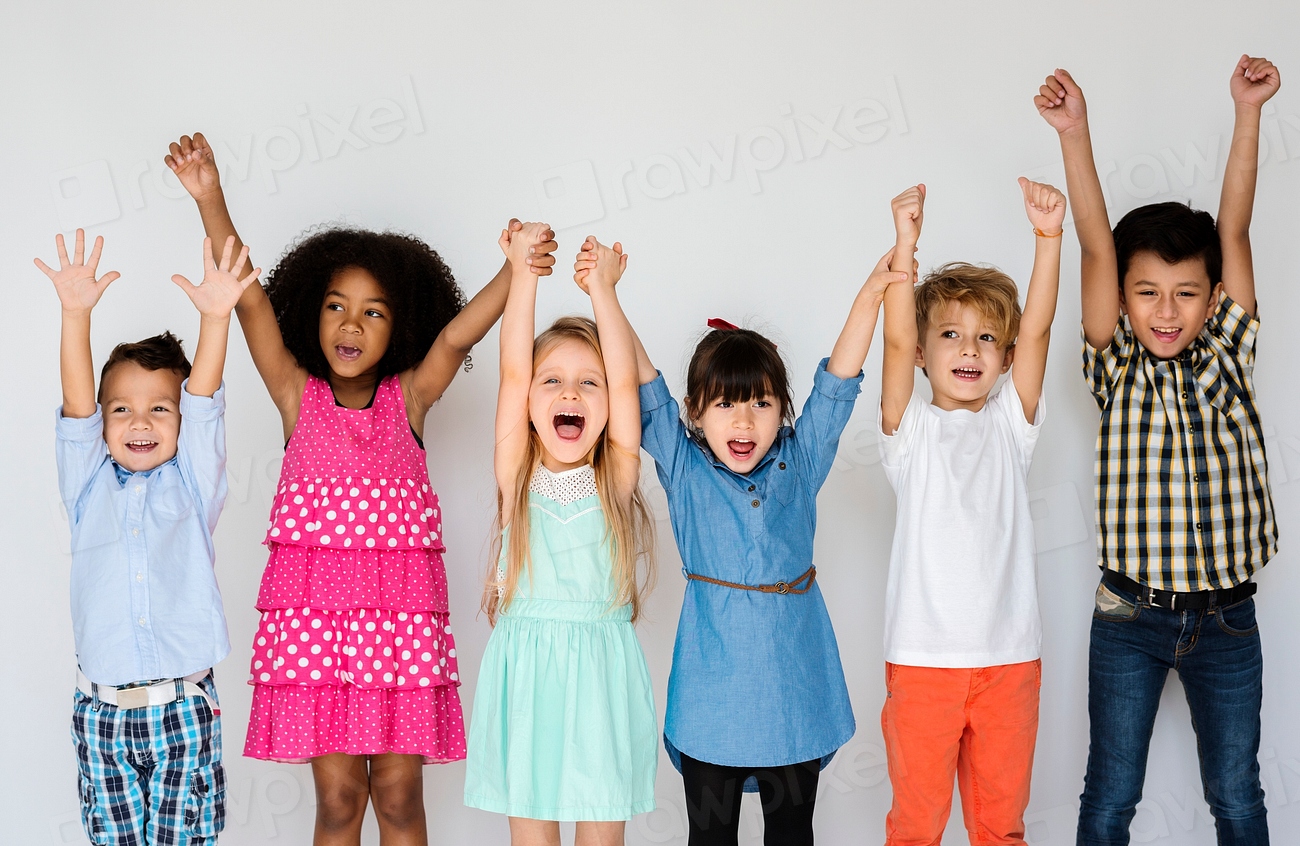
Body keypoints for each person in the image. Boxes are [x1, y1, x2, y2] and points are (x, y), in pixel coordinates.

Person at [165, 132, 557, 845]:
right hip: (316, 637)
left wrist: (513, 268)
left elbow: (462, 336)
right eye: (338, 306)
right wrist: (209, 199)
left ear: (399, 326)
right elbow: (248, 301)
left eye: (374, 312)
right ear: (313, 312)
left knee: (402, 801)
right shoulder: (295, 395)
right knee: (340, 803)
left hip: (399, 634)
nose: (352, 324)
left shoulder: (409, 400)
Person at [1035, 56, 1281, 845]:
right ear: (1125, 301)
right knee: (1110, 793)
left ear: (1213, 298)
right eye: (1147, 293)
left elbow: (1233, 226)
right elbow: (1095, 246)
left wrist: (1247, 113)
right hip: (1129, 616)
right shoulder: (1116, 364)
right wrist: (1075, 133)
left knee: (1236, 793)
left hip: (1228, 619)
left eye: (1184, 293)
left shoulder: (1229, 351)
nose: (1165, 311)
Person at [634, 246, 909, 845]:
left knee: (791, 835)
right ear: (694, 414)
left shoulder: (800, 460)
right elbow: (645, 386)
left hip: (793, 686)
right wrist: (605, 289)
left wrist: (870, 295)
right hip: (711, 696)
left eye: (761, 403)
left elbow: (837, 384)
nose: (744, 421)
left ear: (783, 411)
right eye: (725, 404)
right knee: (710, 839)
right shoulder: (684, 468)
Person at [43, 230, 258, 844]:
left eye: (159, 409)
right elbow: (77, 406)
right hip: (101, 712)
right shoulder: (87, 484)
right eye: (122, 410)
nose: (139, 420)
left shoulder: (192, 482)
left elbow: (205, 398)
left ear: (180, 422)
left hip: (183, 708)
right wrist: (75, 315)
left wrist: (214, 319)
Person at [876, 178, 1066, 845]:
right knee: (916, 827)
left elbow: (1038, 327)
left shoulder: (1012, 425)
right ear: (926, 355)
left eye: (987, 339)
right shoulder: (911, 433)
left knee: (999, 828)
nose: (968, 348)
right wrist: (905, 245)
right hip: (923, 662)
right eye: (951, 335)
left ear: (1005, 360)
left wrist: (1048, 240)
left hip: (1009, 664)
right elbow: (894, 343)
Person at [463, 231, 658, 845]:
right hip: (528, 676)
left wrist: (603, 290)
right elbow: (513, 368)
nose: (570, 393)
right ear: (528, 404)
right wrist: (524, 275)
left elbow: (628, 382)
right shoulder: (516, 474)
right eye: (553, 383)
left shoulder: (616, 478)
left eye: (587, 383)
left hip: (601, 676)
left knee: (601, 835)